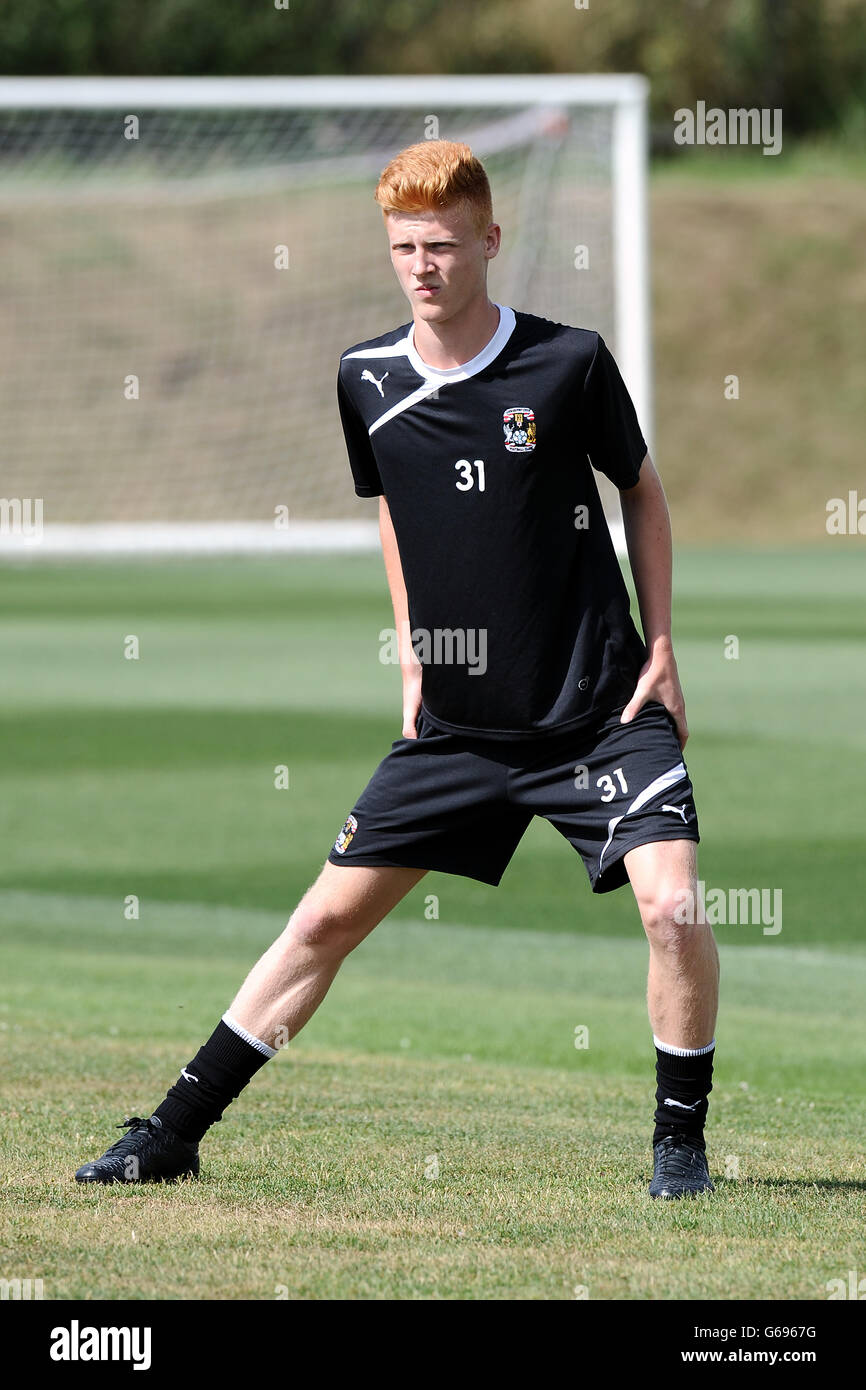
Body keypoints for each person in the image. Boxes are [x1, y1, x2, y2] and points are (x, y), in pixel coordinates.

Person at [76, 140, 719, 1200]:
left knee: (673, 908)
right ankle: (171, 1133)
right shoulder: (364, 378)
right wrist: (415, 651)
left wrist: (661, 643)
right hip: (459, 727)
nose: (423, 266)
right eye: (405, 248)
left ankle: (680, 1147)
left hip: (602, 710)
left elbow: (640, 490)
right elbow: (394, 512)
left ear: (490, 241)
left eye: (444, 246)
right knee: (323, 921)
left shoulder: (568, 363)